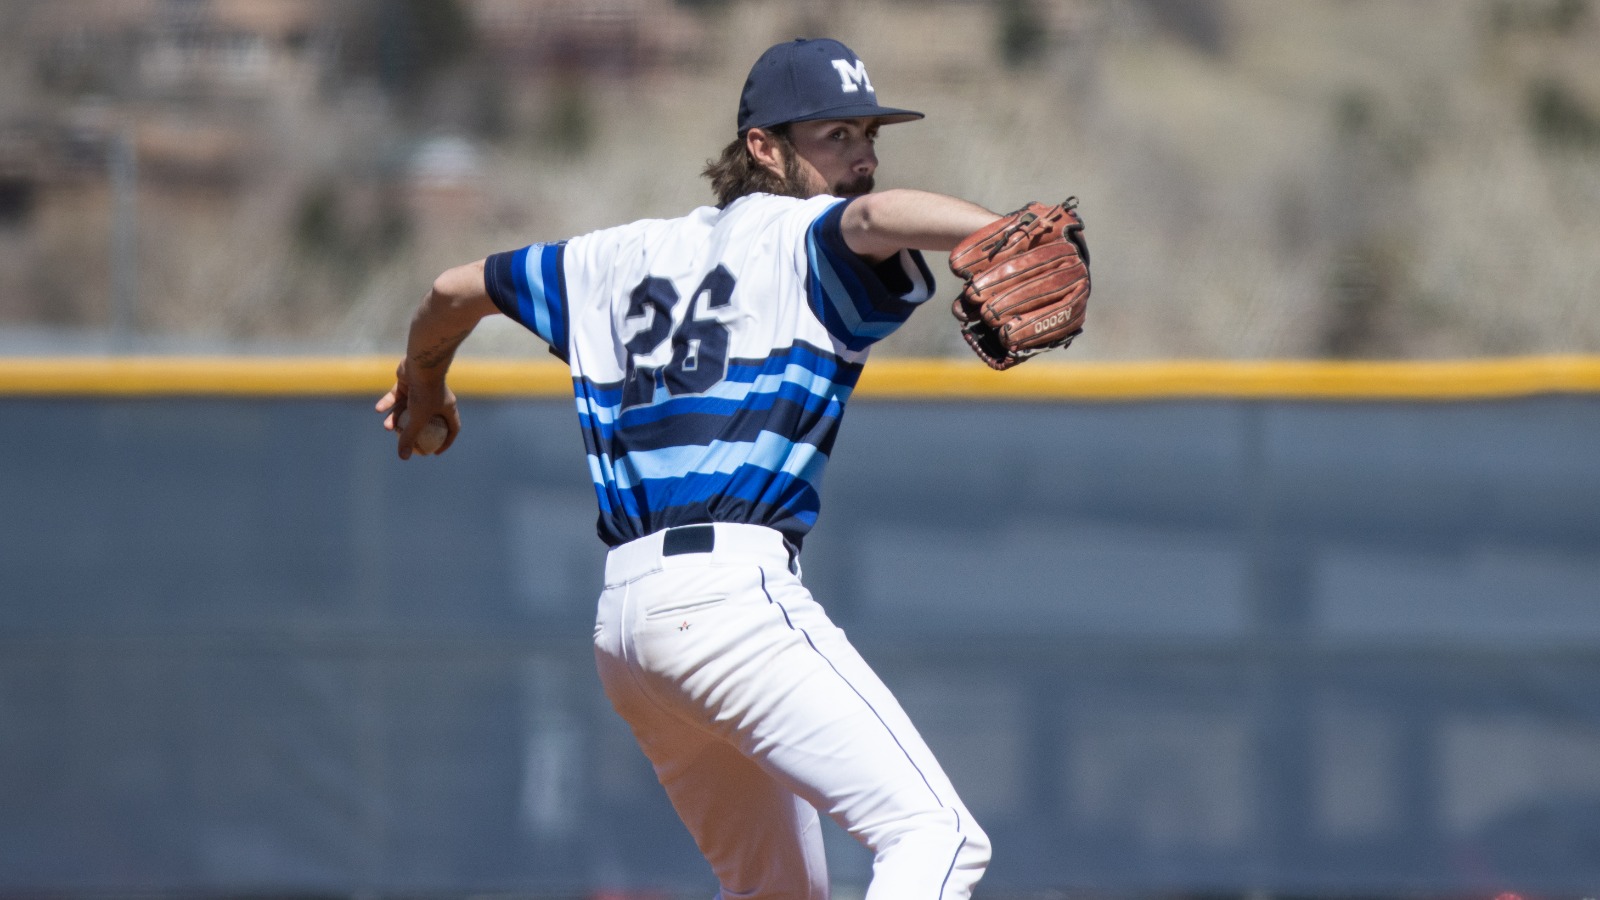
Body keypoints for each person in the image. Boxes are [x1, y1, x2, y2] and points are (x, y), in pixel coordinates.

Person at [378, 37, 998, 900]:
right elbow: (866, 221)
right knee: (935, 836)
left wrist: (423, 382)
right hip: (728, 601)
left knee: (778, 893)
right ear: (764, 147)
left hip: (629, 632)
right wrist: (997, 231)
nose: (861, 157)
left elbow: (452, 289)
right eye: (835, 136)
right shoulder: (805, 234)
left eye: (868, 136)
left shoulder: (607, 257)